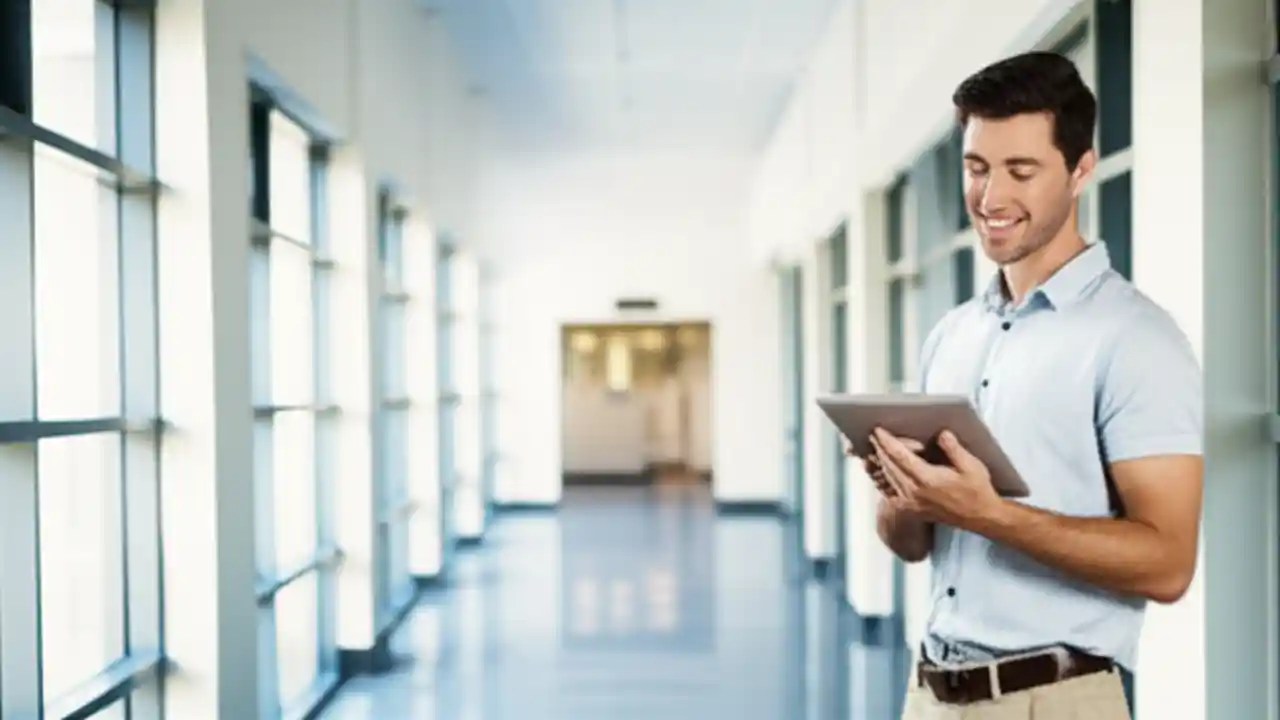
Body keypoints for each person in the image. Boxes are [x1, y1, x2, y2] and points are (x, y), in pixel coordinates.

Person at [855, 51, 1204, 719]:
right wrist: (904, 491)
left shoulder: (1136, 341)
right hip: (930, 693)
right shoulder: (952, 336)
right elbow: (912, 545)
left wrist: (989, 514)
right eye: (977, 168)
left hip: (1056, 700)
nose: (990, 199)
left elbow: (1167, 564)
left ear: (1080, 171)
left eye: (1021, 171)